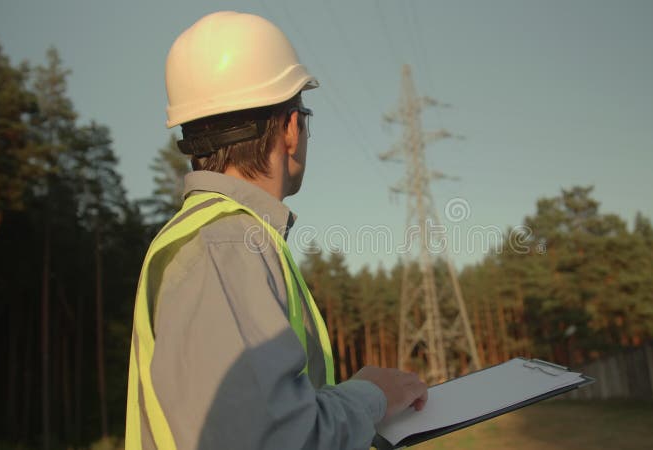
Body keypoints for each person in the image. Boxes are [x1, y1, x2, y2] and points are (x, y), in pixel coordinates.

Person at [124, 11, 428, 450]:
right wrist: (371, 397)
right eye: (304, 117)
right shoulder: (225, 246)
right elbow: (275, 439)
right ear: (290, 127)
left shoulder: (218, 239)